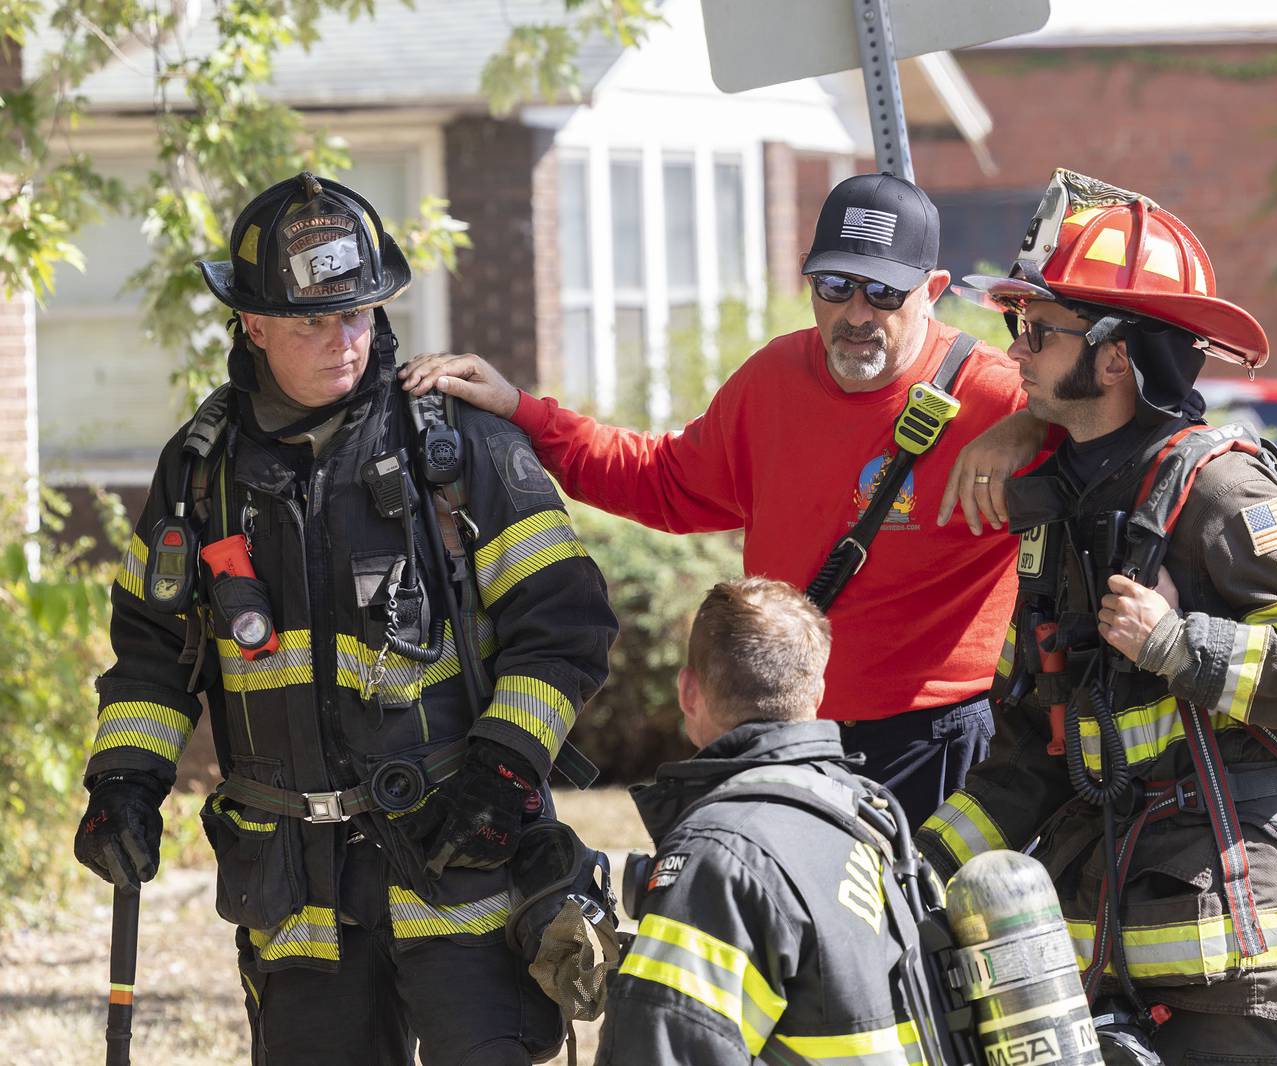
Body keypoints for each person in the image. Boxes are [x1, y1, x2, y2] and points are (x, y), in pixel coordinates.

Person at [73, 172, 617, 1065]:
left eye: (357, 314)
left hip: (459, 861)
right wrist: (125, 784)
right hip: (295, 894)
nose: (343, 341)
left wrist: (507, 773)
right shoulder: (199, 475)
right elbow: (148, 653)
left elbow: (565, 625)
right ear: (251, 325)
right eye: (310, 322)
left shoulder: (457, 444)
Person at [913, 169, 1277, 1065]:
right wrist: (911, 871)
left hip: (1239, 957)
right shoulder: (1066, 509)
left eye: (1036, 329)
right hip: (1110, 944)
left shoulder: (1219, 489)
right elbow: (1030, 752)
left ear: (1114, 356)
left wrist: (1183, 646)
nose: (1014, 350)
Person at [401, 172, 1031, 827]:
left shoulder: (1000, 399)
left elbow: (1119, 445)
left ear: (931, 292)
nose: (856, 315)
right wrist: (522, 411)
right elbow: (663, 481)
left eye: (883, 292)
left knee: (928, 930)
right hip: (792, 739)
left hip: (935, 746)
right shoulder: (775, 378)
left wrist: (1034, 424)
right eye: (835, 286)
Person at [595, 576, 930, 1064]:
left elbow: (657, 1050)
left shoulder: (721, 858)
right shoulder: (869, 819)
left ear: (689, 693)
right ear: (817, 690)